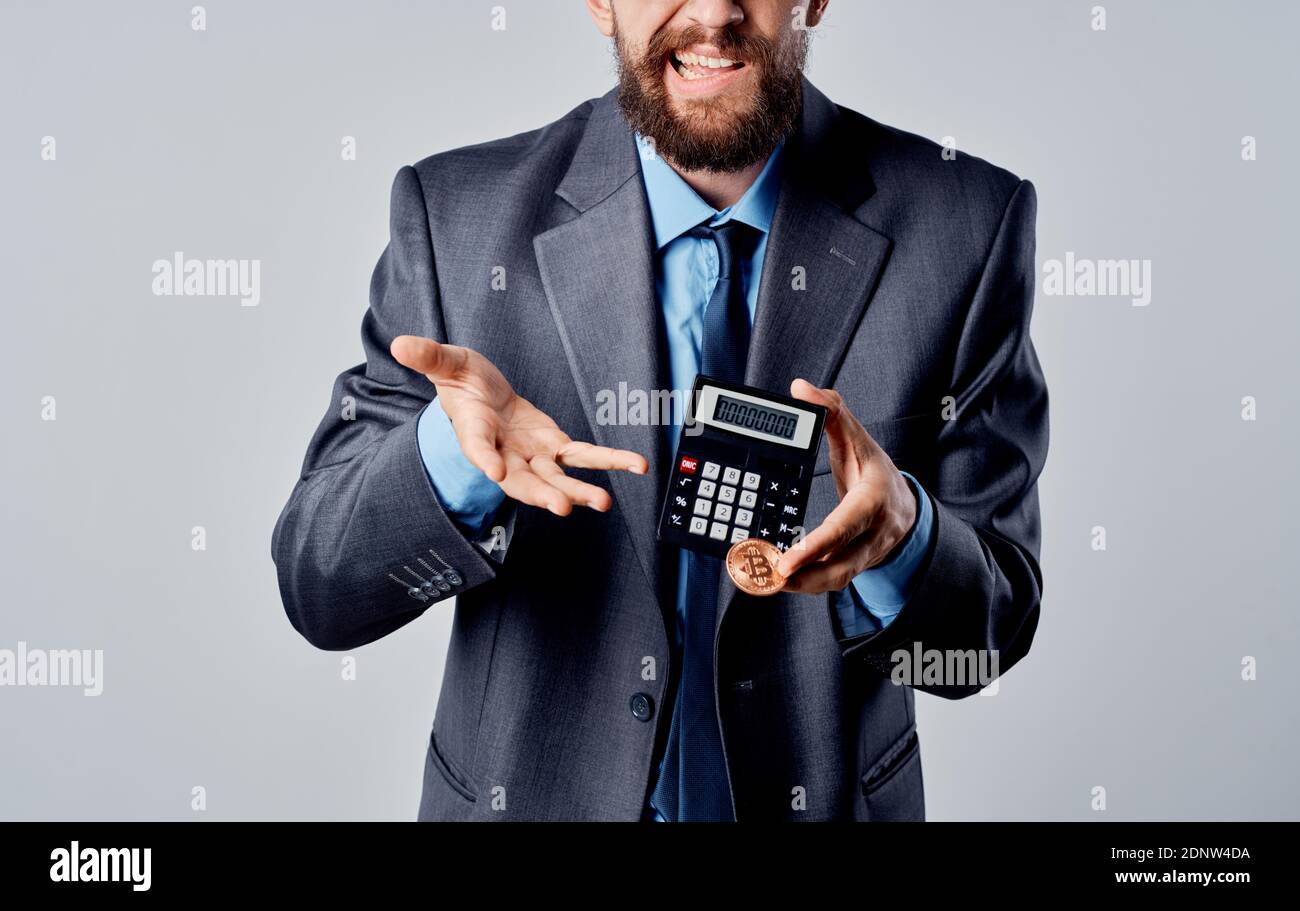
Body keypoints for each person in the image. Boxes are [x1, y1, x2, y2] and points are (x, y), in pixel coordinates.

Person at [272, 0, 1048, 821]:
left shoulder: (968, 226)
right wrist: (450, 462)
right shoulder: (454, 219)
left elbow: (985, 640)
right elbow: (318, 589)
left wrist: (906, 538)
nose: (714, 13)